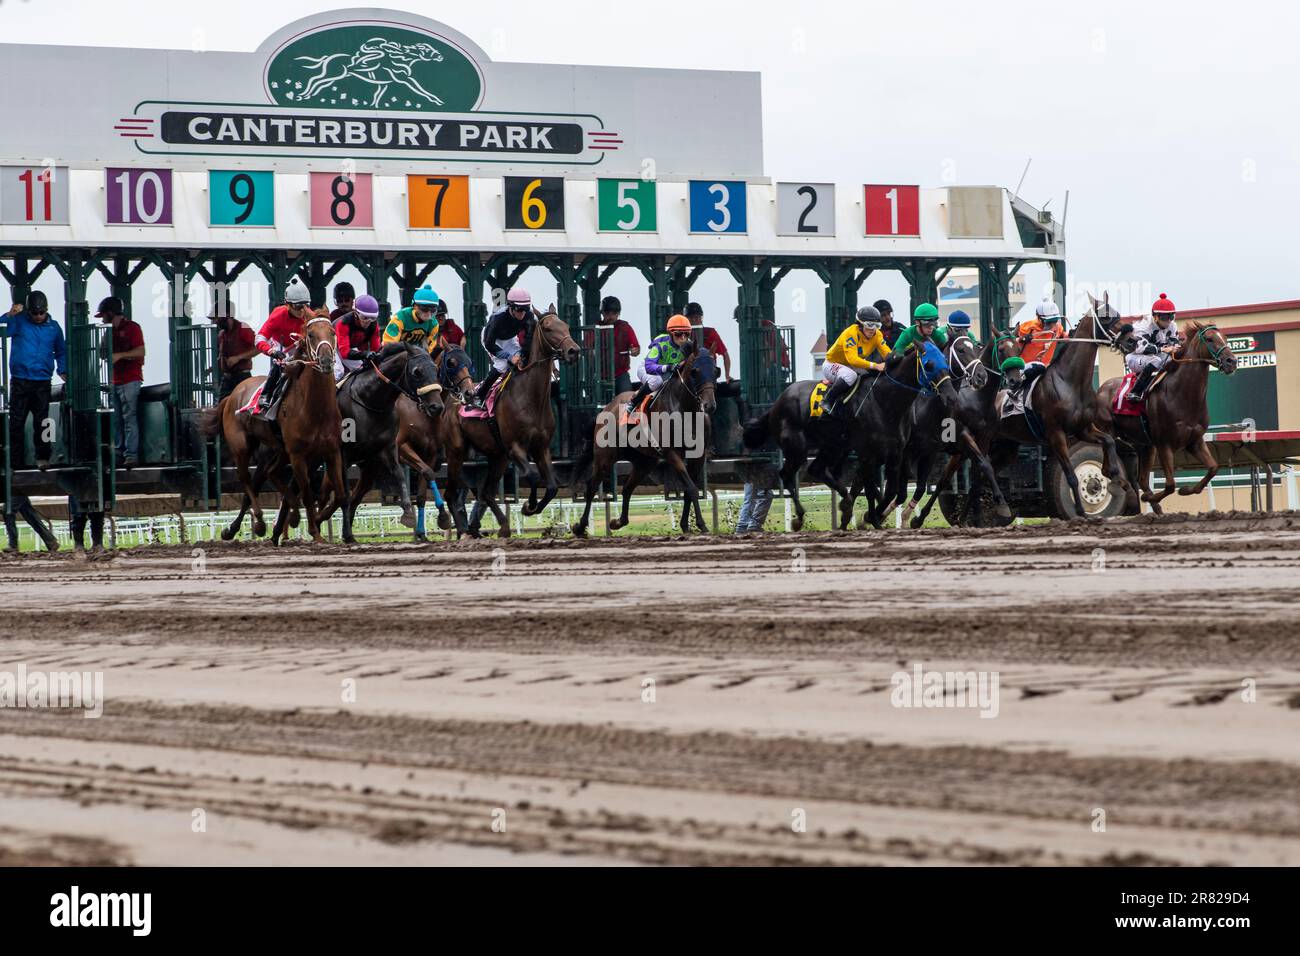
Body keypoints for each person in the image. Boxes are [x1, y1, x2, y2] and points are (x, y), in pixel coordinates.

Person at [3, 291, 67, 470]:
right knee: (16, 423)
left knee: (44, 422)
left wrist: (63, 370)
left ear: (46, 310)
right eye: (35, 313)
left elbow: (61, 351)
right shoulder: (18, 322)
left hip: (42, 381)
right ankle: (14, 462)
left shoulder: (54, 328)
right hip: (20, 380)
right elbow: (1, 330)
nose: (39, 316)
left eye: (42, 313)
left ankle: (44, 458)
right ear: (29, 312)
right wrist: (10, 315)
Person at [253, 276, 314, 420]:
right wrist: (272, 352)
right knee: (282, 364)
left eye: (306, 305)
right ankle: (266, 395)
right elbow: (259, 338)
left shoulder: (310, 316)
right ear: (288, 304)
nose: (302, 311)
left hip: (302, 345)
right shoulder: (278, 314)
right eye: (298, 306)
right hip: (282, 346)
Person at [96, 296, 145, 468]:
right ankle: (118, 453)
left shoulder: (133, 328)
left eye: (103, 316)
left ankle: (130, 454)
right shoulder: (110, 331)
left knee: (129, 417)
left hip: (131, 380)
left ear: (110, 313)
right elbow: (102, 354)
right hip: (115, 381)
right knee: (117, 419)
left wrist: (120, 355)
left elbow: (141, 351)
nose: (102, 319)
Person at [820, 305, 890, 419]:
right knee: (850, 375)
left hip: (850, 365)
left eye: (877, 326)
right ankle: (827, 400)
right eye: (869, 325)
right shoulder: (850, 333)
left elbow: (886, 353)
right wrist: (876, 365)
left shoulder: (877, 334)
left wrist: (896, 358)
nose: (873, 329)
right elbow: (852, 359)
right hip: (832, 364)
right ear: (860, 324)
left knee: (871, 376)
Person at [469, 287, 532, 409]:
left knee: (524, 361)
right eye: (519, 309)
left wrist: (520, 353)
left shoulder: (528, 316)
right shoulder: (497, 318)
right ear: (511, 307)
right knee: (502, 365)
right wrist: (509, 357)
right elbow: (489, 344)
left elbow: (529, 338)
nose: (523, 313)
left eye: (526, 309)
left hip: (510, 339)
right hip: (491, 340)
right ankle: (479, 396)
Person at [624, 314, 692, 415]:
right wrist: (668, 367)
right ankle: (633, 402)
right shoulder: (660, 344)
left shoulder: (688, 345)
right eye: (678, 334)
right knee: (657, 380)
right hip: (648, 370)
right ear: (670, 333)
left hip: (669, 372)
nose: (683, 338)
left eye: (686, 334)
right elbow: (649, 366)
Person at [1126, 293, 1182, 401]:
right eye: (1165, 317)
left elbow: (1175, 343)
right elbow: (1141, 348)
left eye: (1171, 316)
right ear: (1155, 317)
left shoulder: (1172, 325)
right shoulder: (1143, 326)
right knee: (1155, 360)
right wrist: (1163, 349)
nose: (1169, 320)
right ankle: (1135, 392)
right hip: (1136, 357)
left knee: (1173, 360)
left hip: (1156, 355)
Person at [1014, 298, 1068, 393]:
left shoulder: (1058, 328)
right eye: (1049, 322)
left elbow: (1064, 336)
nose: (1052, 325)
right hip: (1026, 368)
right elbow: (1009, 341)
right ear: (1039, 318)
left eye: (1055, 321)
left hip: (1046, 369)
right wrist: (1021, 339)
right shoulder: (1026, 328)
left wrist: (1070, 335)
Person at [591, 295, 640, 396]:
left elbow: (636, 348)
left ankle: (625, 412)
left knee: (627, 400)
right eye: (607, 313)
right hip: (600, 376)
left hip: (621, 374)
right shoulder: (594, 328)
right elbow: (587, 349)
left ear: (618, 313)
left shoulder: (625, 327)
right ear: (602, 313)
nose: (611, 316)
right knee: (598, 401)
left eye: (614, 313)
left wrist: (635, 350)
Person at [211, 301, 257, 401]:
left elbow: (259, 348)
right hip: (227, 379)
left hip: (242, 377)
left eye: (216, 318)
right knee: (221, 411)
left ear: (226, 315)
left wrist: (238, 358)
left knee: (246, 409)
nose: (214, 322)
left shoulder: (243, 327)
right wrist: (212, 369)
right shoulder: (221, 335)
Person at [335, 293, 382, 379]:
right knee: (338, 371)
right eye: (364, 318)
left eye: (372, 318)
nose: (368, 321)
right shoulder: (343, 323)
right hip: (332, 346)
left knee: (363, 370)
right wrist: (365, 354)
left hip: (348, 347)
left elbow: (375, 349)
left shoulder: (374, 325)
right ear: (356, 313)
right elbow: (344, 353)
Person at [383, 285, 440, 354]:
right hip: (396, 354)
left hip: (417, 355)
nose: (428, 313)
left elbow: (430, 348)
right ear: (415, 306)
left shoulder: (434, 324)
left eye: (433, 310)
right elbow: (389, 344)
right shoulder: (400, 317)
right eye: (425, 309)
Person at [684, 302, 732, 382]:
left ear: (701, 318)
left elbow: (725, 354)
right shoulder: (681, 335)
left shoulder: (710, 333)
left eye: (696, 318)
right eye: (691, 318)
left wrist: (727, 376)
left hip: (708, 375)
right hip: (689, 376)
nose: (694, 321)